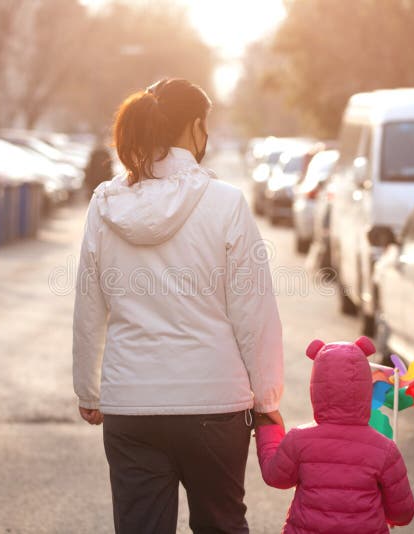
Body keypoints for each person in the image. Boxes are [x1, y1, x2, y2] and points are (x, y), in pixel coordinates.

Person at [72, 77, 284, 534]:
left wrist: (88, 390)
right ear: (194, 127)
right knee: (222, 525)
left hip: (131, 404)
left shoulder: (106, 204)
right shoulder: (226, 203)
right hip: (215, 403)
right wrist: (266, 397)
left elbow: (89, 305)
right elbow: (254, 311)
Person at [255, 336, 414, 534]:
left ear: (316, 387)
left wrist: (267, 426)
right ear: (366, 387)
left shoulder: (299, 440)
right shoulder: (384, 449)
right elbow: (403, 513)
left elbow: (276, 477)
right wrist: (389, 516)